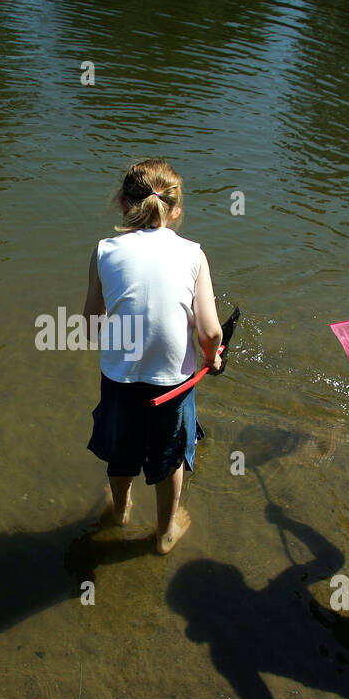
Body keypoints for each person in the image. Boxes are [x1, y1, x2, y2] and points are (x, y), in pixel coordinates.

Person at [83, 159, 223, 554]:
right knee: (170, 457)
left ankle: (121, 509)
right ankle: (164, 535)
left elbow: (90, 324)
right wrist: (213, 357)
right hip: (173, 386)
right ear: (175, 211)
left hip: (119, 381)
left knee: (121, 453)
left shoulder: (104, 250)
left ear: (125, 204)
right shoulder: (193, 254)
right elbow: (210, 330)